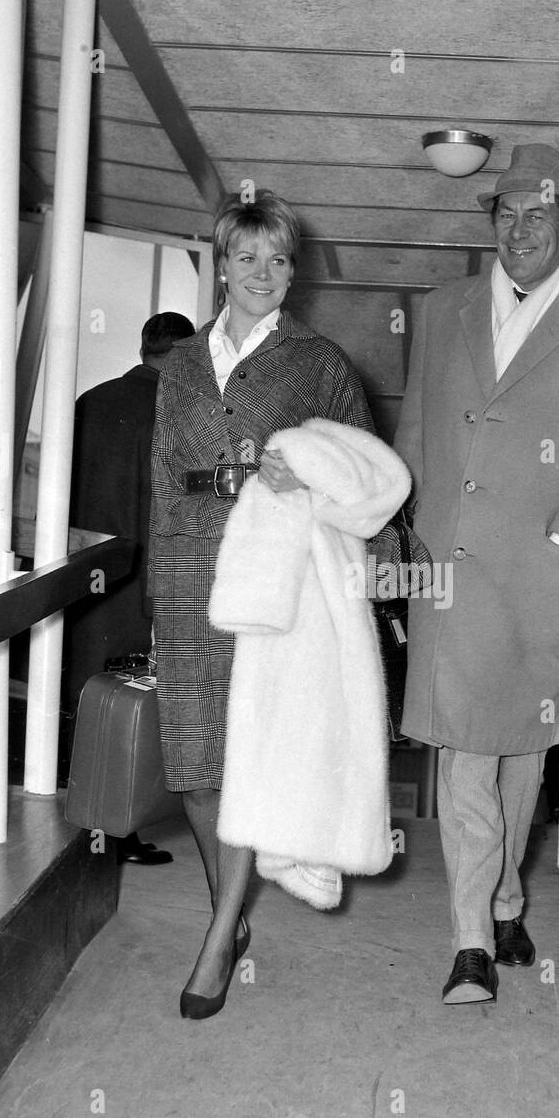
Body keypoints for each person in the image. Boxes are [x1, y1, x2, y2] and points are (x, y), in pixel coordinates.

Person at [394, 143, 559, 1005]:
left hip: (548, 583)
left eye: (539, 214)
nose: (521, 229)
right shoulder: (441, 311)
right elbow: (415, 438)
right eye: (507, 213)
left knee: (523, 757)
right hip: (449, 577)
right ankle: (472, 939)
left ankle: (507, 894)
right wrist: (401, 544)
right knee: (465, 753)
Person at [150, 188, 377, 1020]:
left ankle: (215, 943)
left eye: (278, 260)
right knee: (194, 766)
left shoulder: (319, 363)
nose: (263, 273)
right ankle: (231, 912)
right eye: (247, 257)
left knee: (249, 757)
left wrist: (307, 470)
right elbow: (161, 480)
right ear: (221, 266)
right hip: (184, 567)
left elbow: (367, 476)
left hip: (272, 566)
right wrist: (154, 583)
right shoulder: (177, 367)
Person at [65, 310, 195, 865]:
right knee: (129, 708)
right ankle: (117, 832)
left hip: (82, 579)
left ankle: (77, 822)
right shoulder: (174, 412)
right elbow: (170, 508)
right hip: (142, 584)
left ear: (144, 347)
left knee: (82, 700)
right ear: (183, 355)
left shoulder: (89, 403)